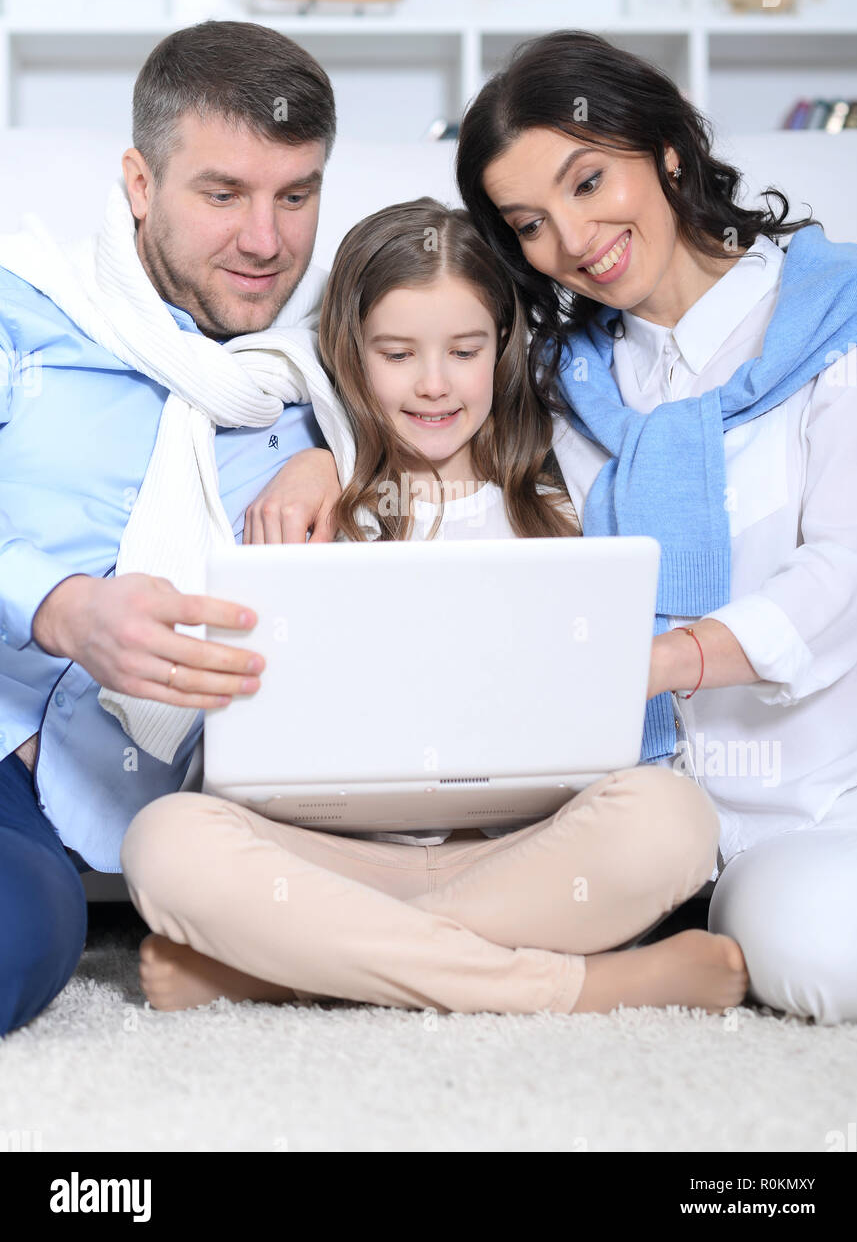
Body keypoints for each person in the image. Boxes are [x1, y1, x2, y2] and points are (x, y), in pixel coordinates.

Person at [120, 198, 746, 1019]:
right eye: (396, 353)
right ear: (350, 355)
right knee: (165, 843)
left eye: (464, 350)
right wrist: (317, 465)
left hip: (520, 850)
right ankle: (578, 988)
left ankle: (288, 971)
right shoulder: (305, 499)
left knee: (673, 821)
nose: (433, 384)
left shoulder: (564, 490)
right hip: (331, 855)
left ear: (502, 348)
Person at [455, 29, 857, 1025]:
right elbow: (384, 354)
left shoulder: (835, 320)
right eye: (530, 223)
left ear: (665, 149)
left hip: (829, 791)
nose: (574, 237)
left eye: (588, 181)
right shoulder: (562, 385)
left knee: (828, 944)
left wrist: (661, 659)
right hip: (659, 817)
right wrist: (311, 446)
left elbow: (846, 566)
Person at [0, 20, 348, 1036]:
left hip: (196, 810)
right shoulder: (26, 309)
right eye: (223, 193)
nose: (265, 241)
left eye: (297, 194)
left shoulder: (344, 357)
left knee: (22, 933)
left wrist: (340, 452)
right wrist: (59, 608)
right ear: (141, 183)